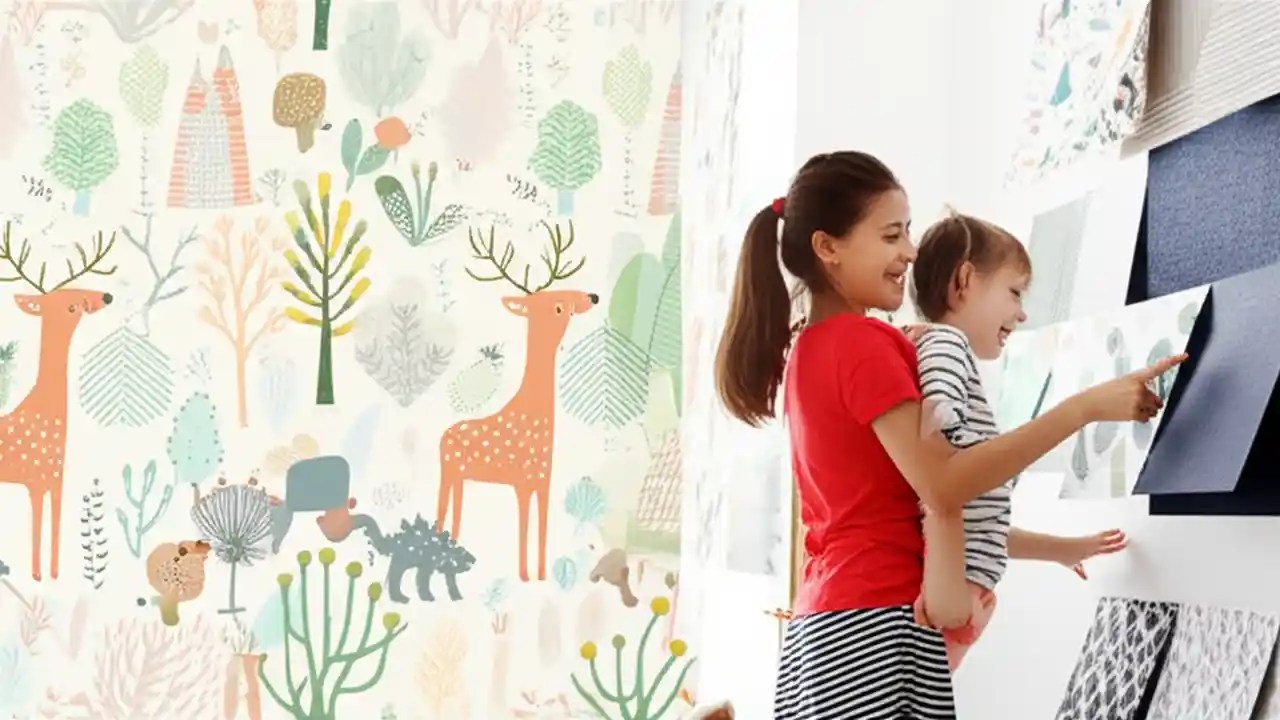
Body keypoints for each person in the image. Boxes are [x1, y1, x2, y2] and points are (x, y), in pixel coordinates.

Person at [713, 151, 1186, 720]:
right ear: (827, 247)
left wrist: (1056, 547)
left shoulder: (806, 351)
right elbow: (942, 486)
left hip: (826, 622)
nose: (909, 252)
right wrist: (1081, 409)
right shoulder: (864, 344)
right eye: (891, 235)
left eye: (908, 232)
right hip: (877, 626)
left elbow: (904, 499)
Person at [907, 211, 1129, 672]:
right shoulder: (946, 344)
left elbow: (981, 526)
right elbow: (938, 433)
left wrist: (1061, 549)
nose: (1023, 312)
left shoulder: (947, 350)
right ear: (965, 281)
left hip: (964, 589)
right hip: (950, 595)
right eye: (1014, 292)